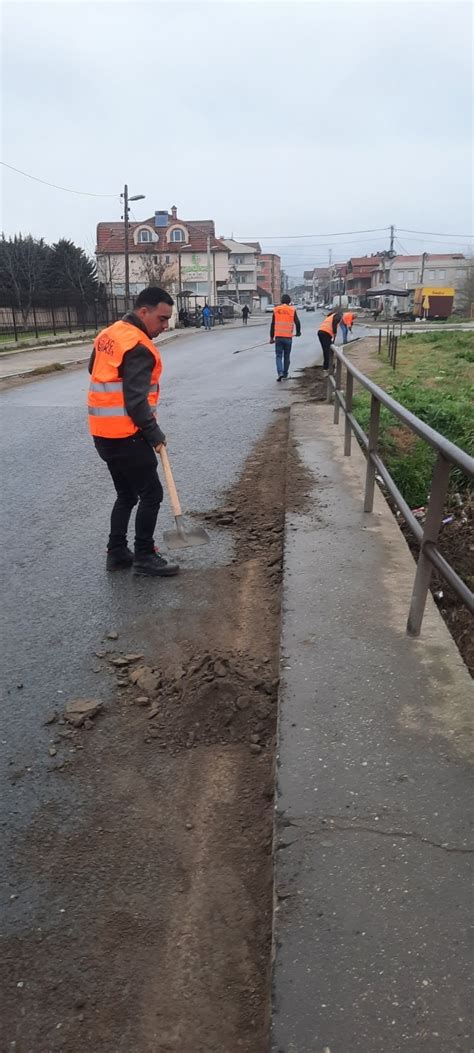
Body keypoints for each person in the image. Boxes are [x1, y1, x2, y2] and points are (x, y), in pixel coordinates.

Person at [88, 286, 179, 578]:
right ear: (144, 311)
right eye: (162, 319)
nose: (165, 326)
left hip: (102, 432)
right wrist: (155, 434)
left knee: (126, 494)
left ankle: (116, 553)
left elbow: (94, 369)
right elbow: (136, 400)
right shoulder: (139, 346)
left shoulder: (109, 334)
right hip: (128, 434)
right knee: (151, 493)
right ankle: (144, 555)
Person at [270, 294, 301, 381]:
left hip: (278, 337)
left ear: (281, 301)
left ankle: (280, 372)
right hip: (288, 337)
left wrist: (271, 337)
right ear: (289, 301)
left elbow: (273, 324)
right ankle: (285, 373)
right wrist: (298, 332)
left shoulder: (276, 310)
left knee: (279, 356)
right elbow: (297, 322)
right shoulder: (292, 310)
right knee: (287, 356)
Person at [317, 308, 343, 374]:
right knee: (328, 350)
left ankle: (327, 366)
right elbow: (335, 322)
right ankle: (328, 367)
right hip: (325, 333)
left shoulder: (330, 316)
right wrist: (335, 332)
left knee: (327, 350)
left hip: (321, 332)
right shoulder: (337, 316)